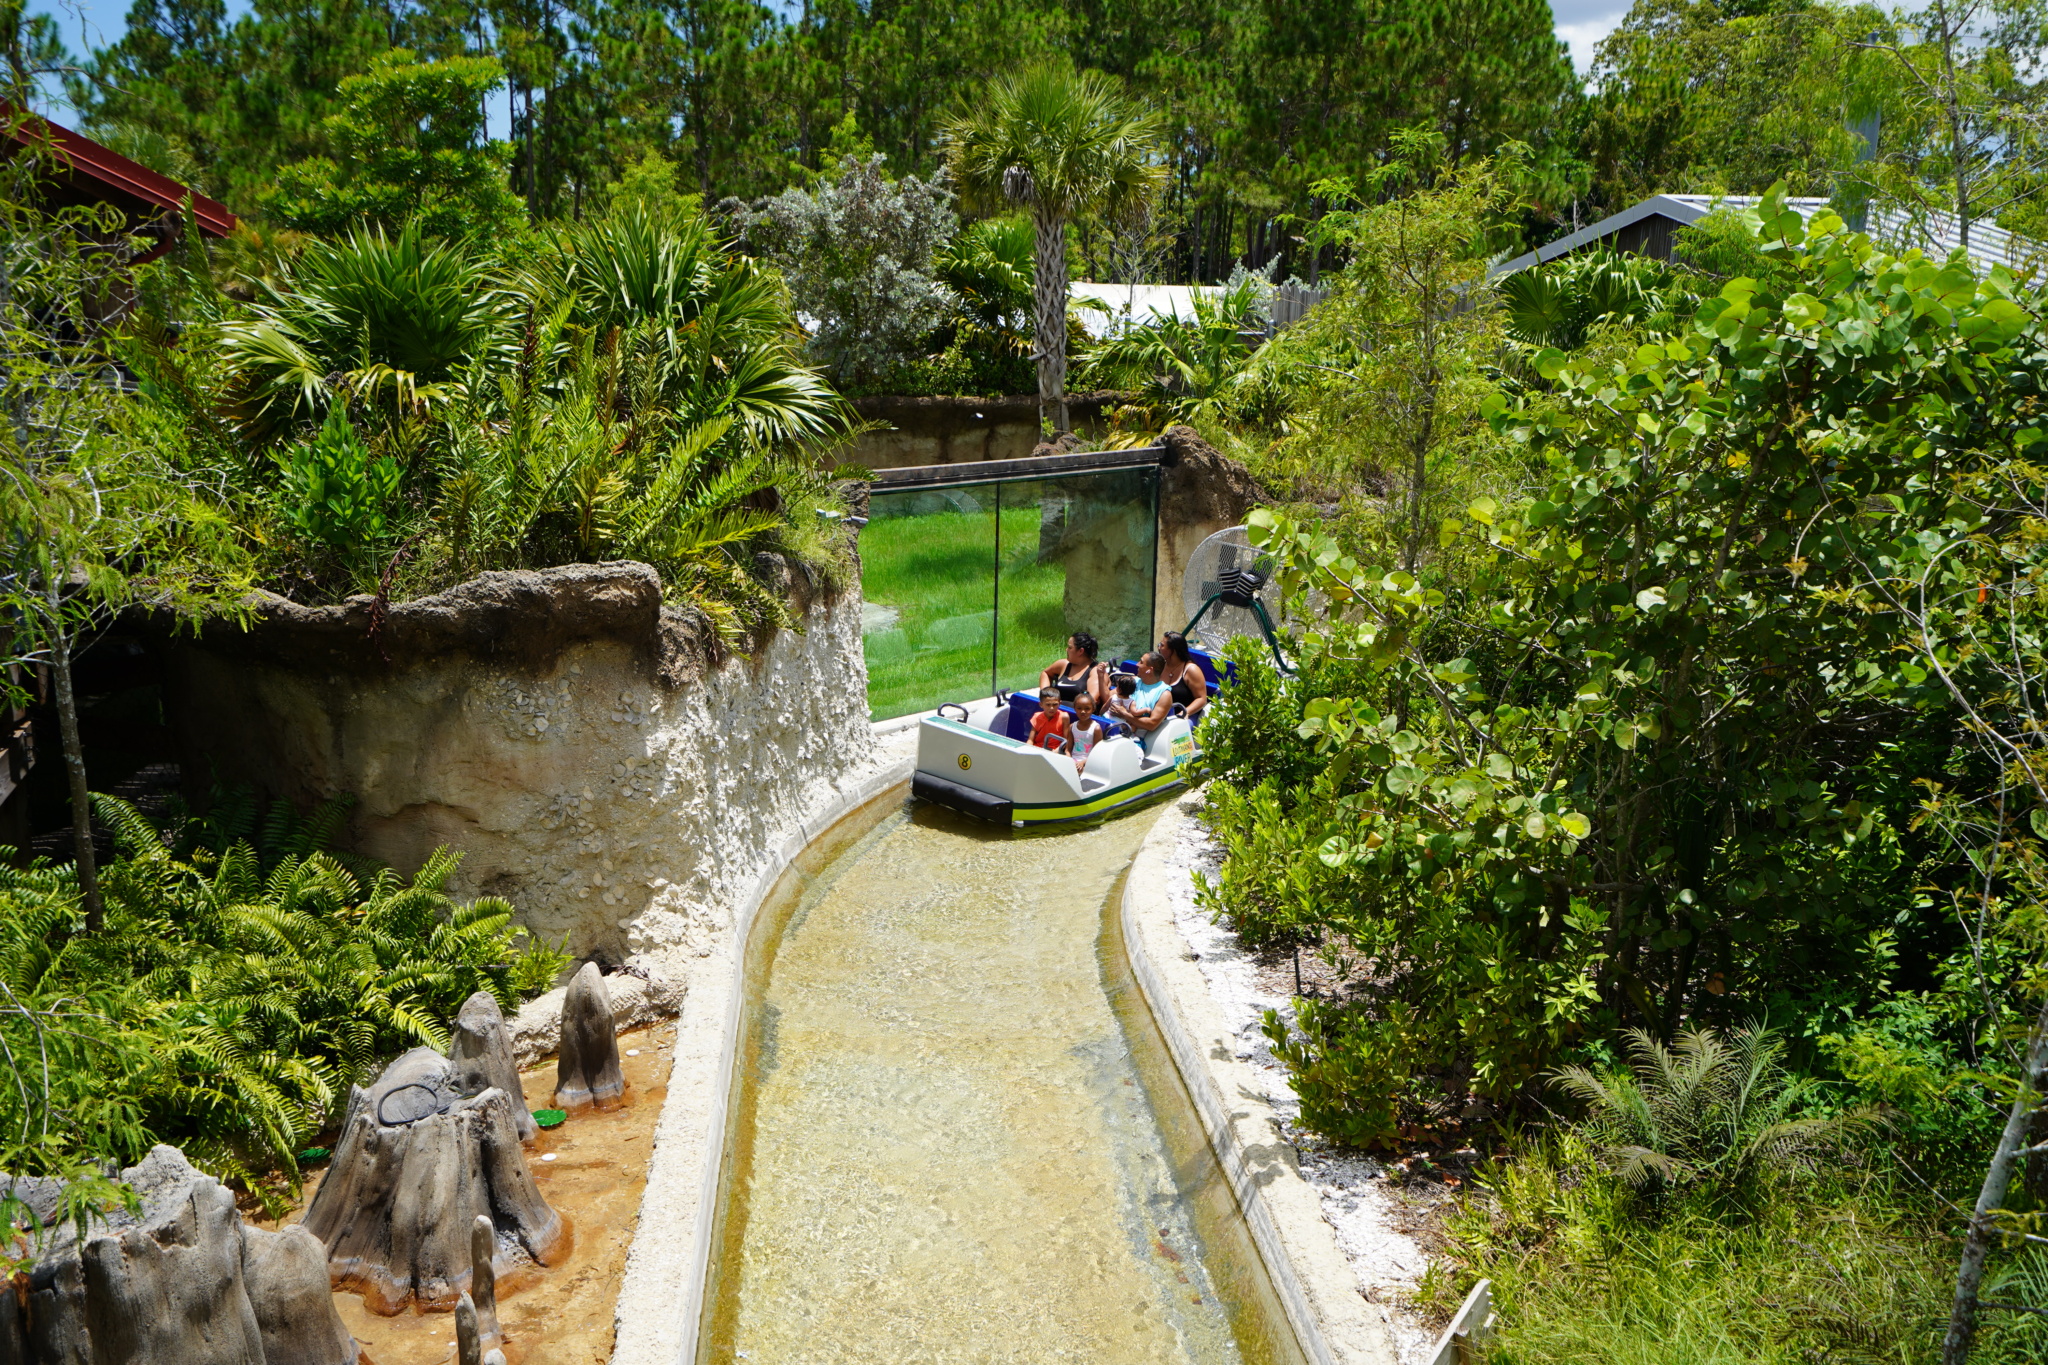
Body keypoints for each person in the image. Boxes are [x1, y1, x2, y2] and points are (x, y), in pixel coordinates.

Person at [1107, 652, 1173, 734]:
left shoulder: (1164, 694)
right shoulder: (1132, 681)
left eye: (1141, 662)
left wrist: (1125, 714)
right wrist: (1101, 677)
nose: (1137, 664)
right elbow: (1108, 697)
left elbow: (1152, 724)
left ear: (1149, 670)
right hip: (1113, 729)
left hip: (1136, 737)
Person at [1039, 632, 1108, 710]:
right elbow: (1046, 673)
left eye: (1070, 647)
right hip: (1054, 712)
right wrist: (1045, 695)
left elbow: (1090, 701)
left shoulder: (1095, 672)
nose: (1066, 649)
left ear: (1080, 651)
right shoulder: (1063, 664)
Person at [1158, 631, 1210, 717]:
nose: (1159, 648)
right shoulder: (1160, 665)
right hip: (1160, 715)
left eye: (1162, 645)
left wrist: (1183, 713)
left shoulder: (1191, 670)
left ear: (1173, 651)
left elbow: (1201, 699)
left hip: (1185, 718)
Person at [1067, 691, 1106, 772]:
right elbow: (1068, 749)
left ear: (1093, 709)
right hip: (1073, 761)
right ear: (1074, 708)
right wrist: (1069, 760)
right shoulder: (1072, 727)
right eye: (1079, 708)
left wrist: (1082, 762)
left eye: (1087, 709)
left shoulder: (1096, 728)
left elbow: (1096, 753)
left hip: (1088, 762)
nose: (1083, 711)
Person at [1027, 687, 1071, 752]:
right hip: (1038, 749)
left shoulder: (1064, 717)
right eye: (1048, 705)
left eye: (1055, 704)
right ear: (1041, 704)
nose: (1051, 708)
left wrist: (1055, 751)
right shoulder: (1036, 717)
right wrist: (1027, 749)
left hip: (1056, 750)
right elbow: (1031, 739)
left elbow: (1066, 741)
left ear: (1060, 704)